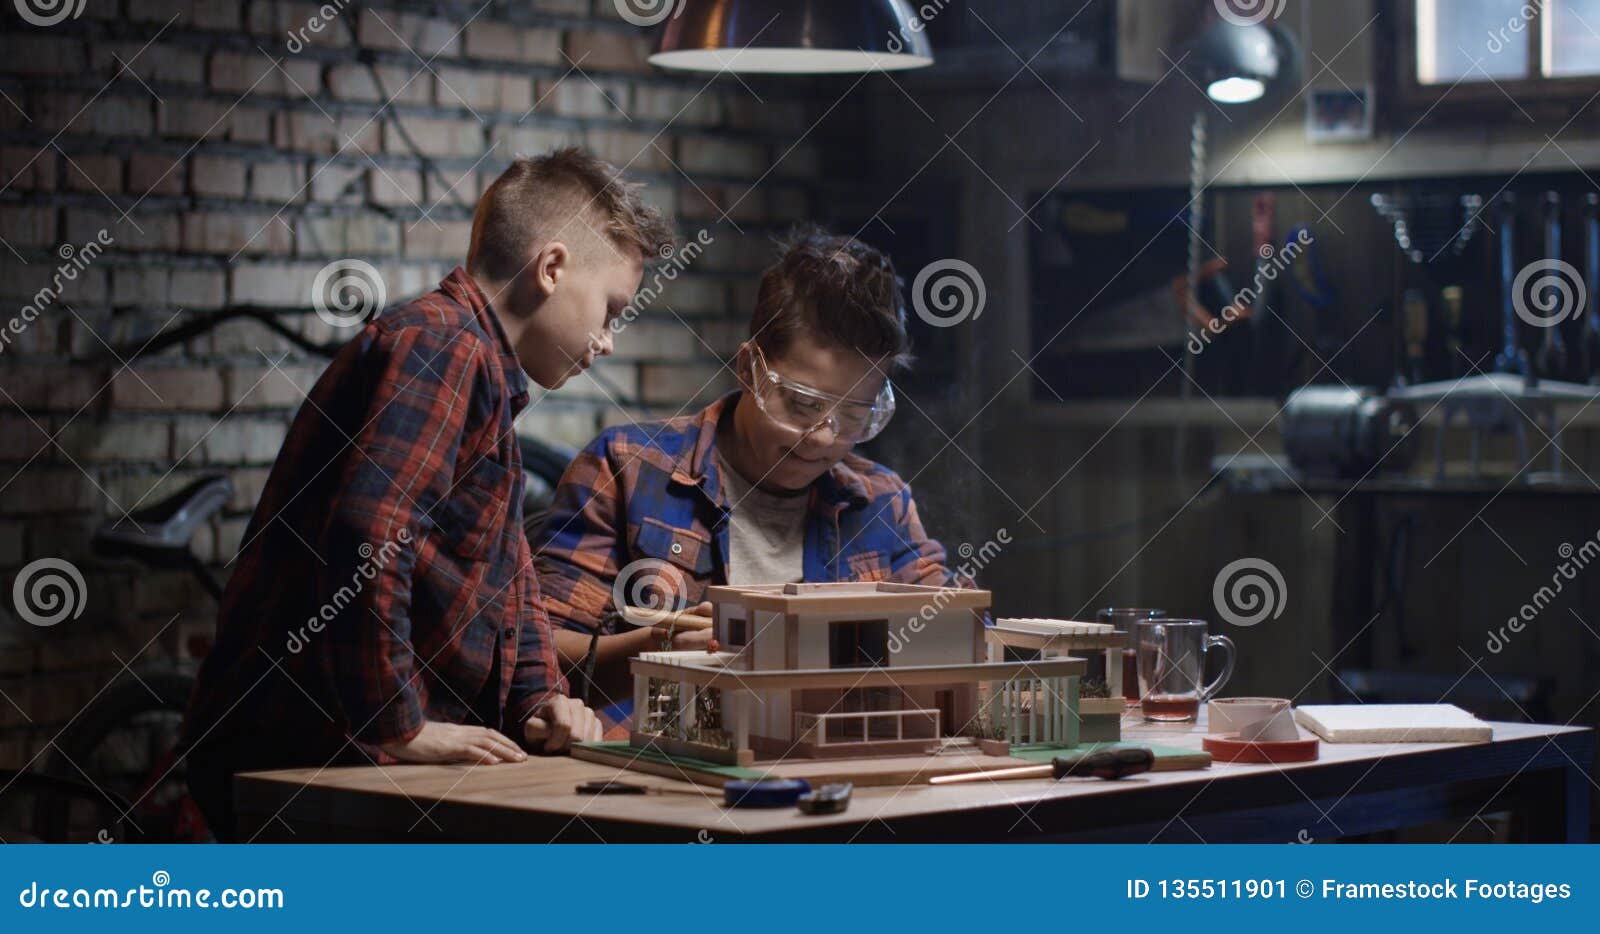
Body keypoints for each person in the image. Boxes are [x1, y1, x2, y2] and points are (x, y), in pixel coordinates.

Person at [180, 147, 674, 840]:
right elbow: (369, 534)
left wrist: (538, 697)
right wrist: (398, 724)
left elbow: (504, 569)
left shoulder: (481, 370)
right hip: (306, 758)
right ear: (552, 268)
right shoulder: (444, 349)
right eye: (611, 308)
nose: (609, 341)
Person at [532, 229, 953, 713]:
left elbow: (956, 633)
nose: (820, 436)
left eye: (853, 415)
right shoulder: (627, 468)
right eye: (800, 403)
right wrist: (658, 651)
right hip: (661, 776)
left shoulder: (881, 503)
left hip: (834, 775)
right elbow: (534, 654)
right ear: (748, 366)